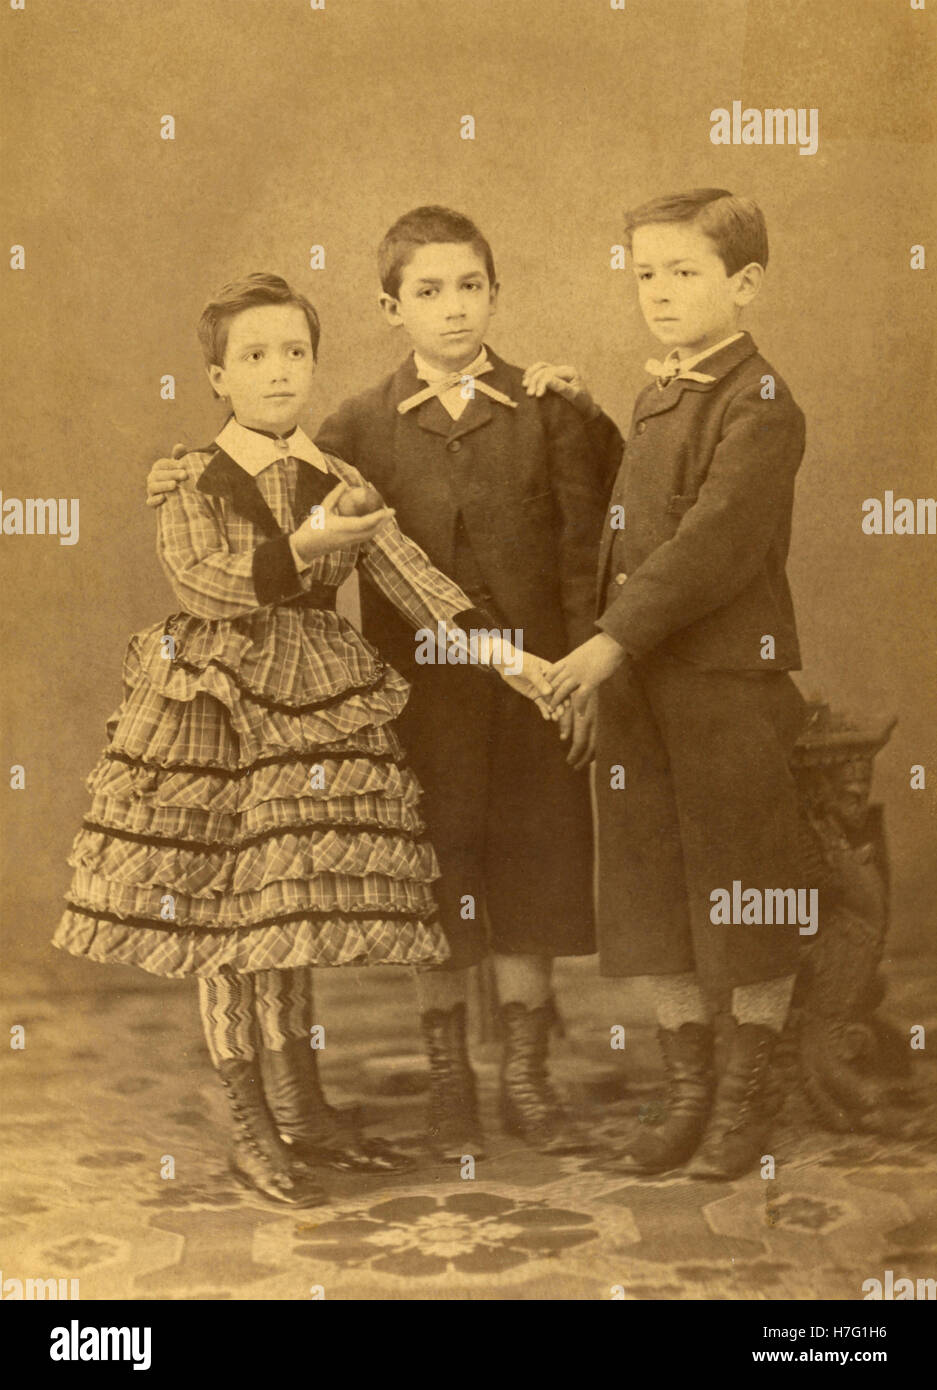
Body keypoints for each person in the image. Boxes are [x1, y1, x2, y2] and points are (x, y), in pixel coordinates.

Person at [54, 272, 555, 1208]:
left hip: (317, 696)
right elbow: (205, 583)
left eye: (294, 352)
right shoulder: (190, 476)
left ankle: (303, 1107)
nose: (279, 372)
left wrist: (514, 663)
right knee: (227, 925)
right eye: (254, 356)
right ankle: (252, 1123)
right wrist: (312, 546)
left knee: (286, 916)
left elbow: (415, 581)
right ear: (216, 376)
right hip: (216, 705)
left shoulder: (340, 480)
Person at [146, 207, 615, 1161]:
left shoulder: (516, 417)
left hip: (451, 693)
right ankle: (337, 1103)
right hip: (323, 708)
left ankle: (477, 1082)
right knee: (340, 898)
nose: (452, 309)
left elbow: (509, 558)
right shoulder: (282, 451)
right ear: (389, 306)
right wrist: (310, 546)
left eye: (470, 286)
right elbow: (224, 574)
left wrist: (550, 667)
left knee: (506, 879)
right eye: (428, 291)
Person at [547, 189, 811, 1180]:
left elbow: (712, 543)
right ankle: (689, 1088)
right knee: (649, 886)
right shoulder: (663, 391)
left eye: (683, 272)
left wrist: (608, 641)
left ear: (743, 285)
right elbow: (645, 505)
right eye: (643, 272)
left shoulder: (763, 404)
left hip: (724, 683)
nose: (656, 292)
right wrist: (587, 418)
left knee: (747, 888)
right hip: (640, 685)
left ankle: (746, 1091)